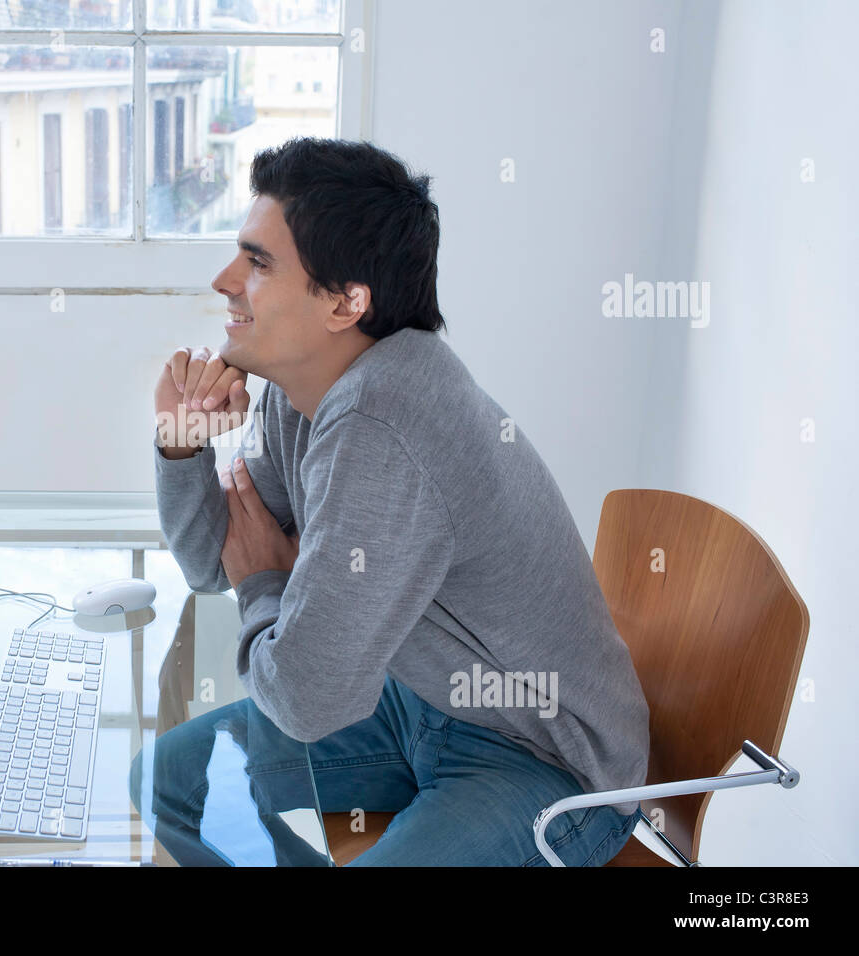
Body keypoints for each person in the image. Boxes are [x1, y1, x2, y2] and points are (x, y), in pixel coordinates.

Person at [132, 137, 649, 866]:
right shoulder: (300, 390)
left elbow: (307, 697)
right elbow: (211, 564)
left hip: (540, 757)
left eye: (257, 262)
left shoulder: (385, 422)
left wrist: (265, 584)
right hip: (413, 700)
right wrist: (183, 446)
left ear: (347, 302)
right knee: (167, 781)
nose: (224, 281)